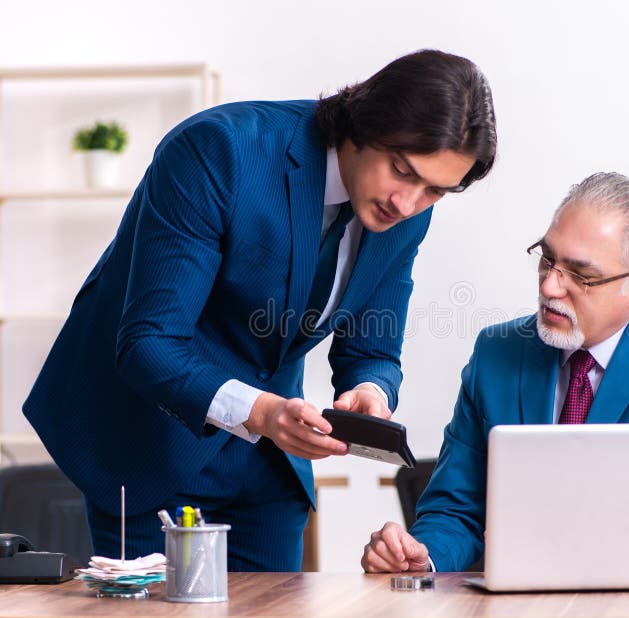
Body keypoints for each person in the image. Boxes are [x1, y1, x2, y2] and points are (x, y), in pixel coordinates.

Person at [23, 49, 497, 571]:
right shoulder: (218, 150)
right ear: (365, 122)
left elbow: (373, 346)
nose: (407, 204)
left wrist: (370, 390)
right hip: (148, 440)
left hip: (270, 464)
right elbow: (149, 343)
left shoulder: (405, 214)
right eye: (402, 171)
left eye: (435, 190)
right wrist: (260, 412)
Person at [361, 172, 629, 573]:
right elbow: (456, 508)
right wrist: (421, 555)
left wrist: (592, 551)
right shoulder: (497, 353)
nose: (550, 287)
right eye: (547, 259)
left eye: (581, 275)